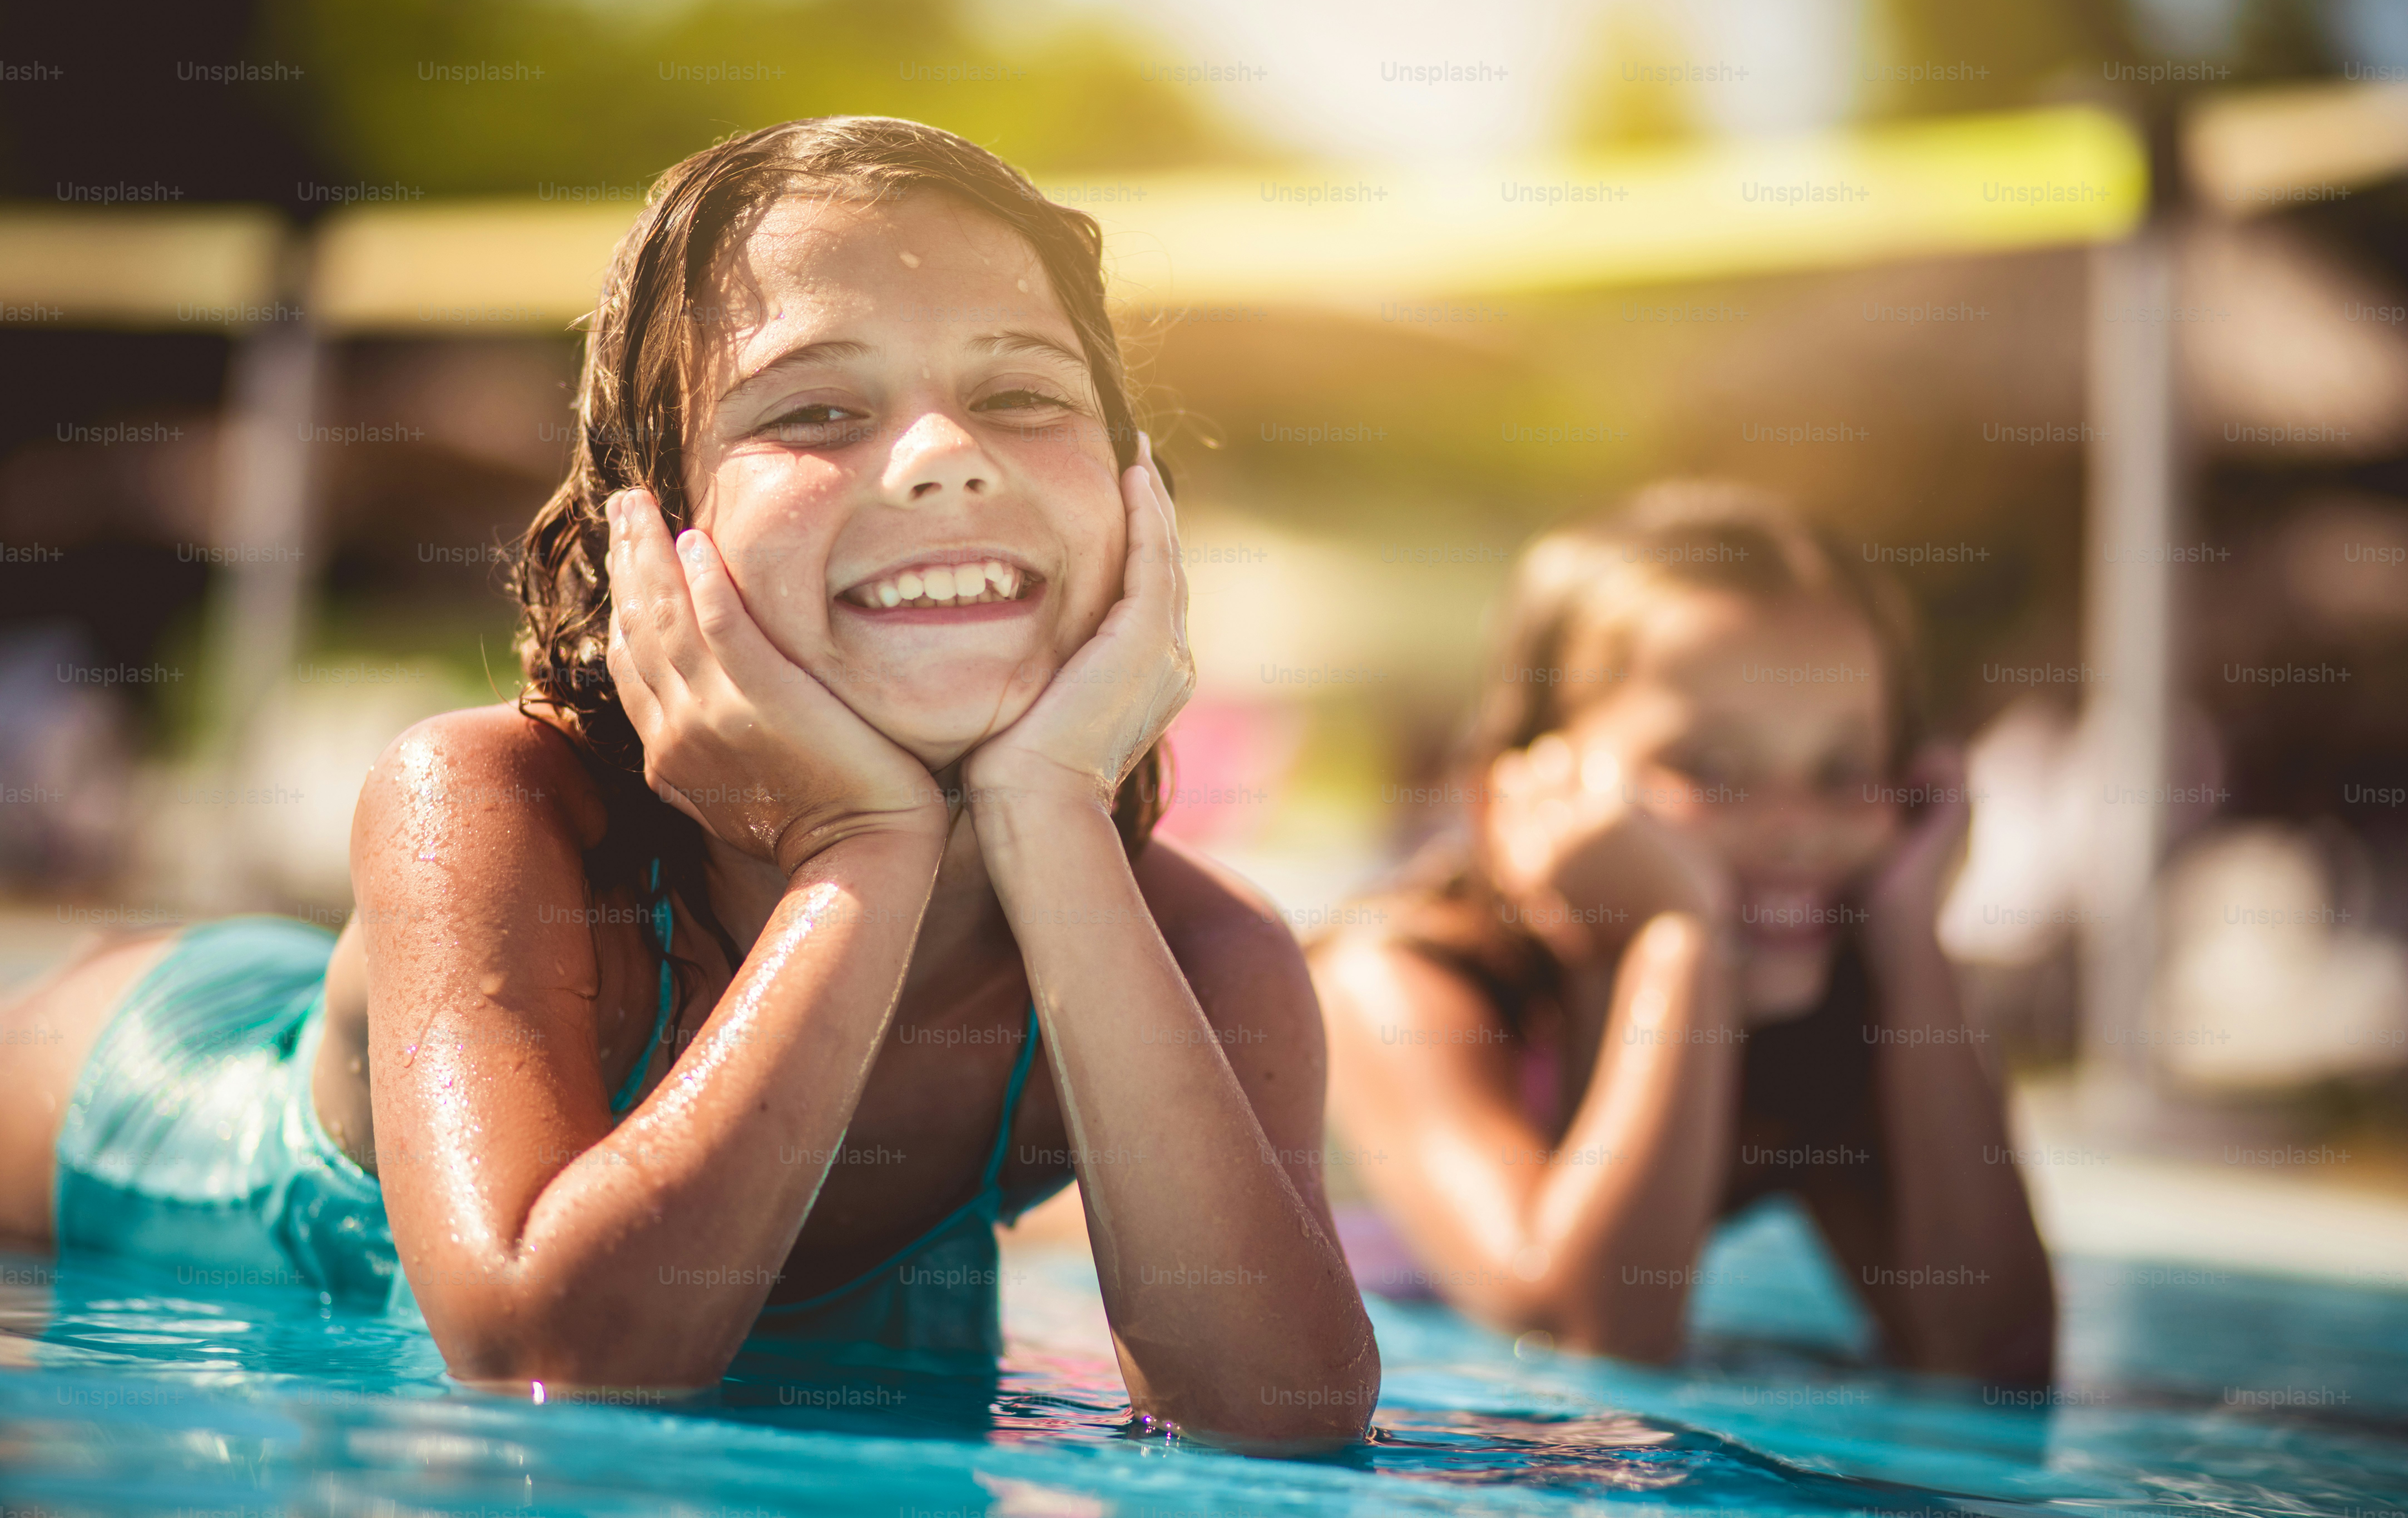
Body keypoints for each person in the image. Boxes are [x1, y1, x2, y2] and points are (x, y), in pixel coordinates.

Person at [0, 117, 1377, 1448]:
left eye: (1022, 394)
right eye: (818, 408)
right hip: (145, 1087)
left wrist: (1052, 815)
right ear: (650, 534)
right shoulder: (488, 803)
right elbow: (555, 1365)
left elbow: (1281, 1418)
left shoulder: (1203, 951)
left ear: (1143, 498)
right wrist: (863, 848)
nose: (947, 459)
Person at [1311, 482, 2053, 1383]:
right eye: (1712, 768)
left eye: (1842, 768)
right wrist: (1677, 936)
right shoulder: (1401, 982)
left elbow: (1993, 1359)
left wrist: (1911, 936)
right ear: (1511, 797)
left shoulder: (1828, 1016)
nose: (1794, 825)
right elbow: (1587, 1334)